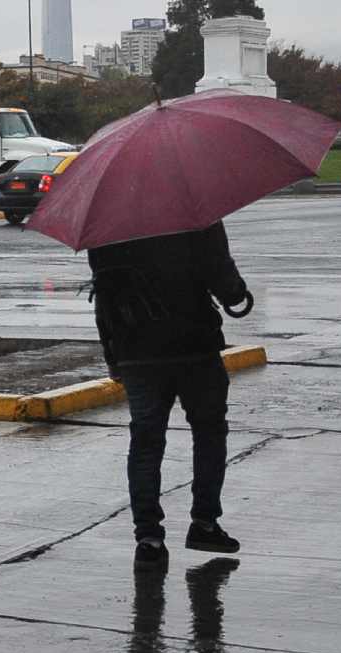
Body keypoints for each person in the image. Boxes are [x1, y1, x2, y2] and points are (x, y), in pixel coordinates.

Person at [87, 221, 249, 568]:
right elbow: (221, 274)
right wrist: (236, 293)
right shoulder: (193, 211)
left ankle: (148, 538)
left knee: (146, 441)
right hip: (193, 346)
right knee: (208, 432)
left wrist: (112, 355)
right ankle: (204, 523)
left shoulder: (106, 221)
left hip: (136, 349)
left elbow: (105, 293)